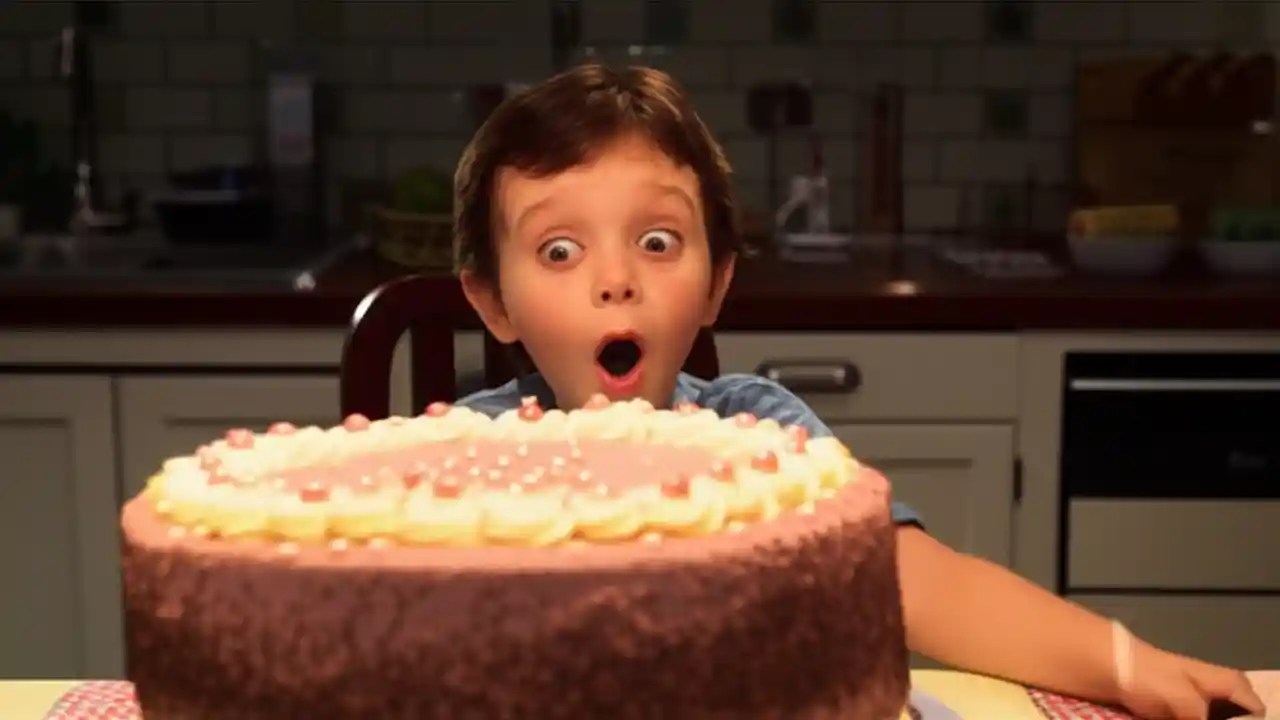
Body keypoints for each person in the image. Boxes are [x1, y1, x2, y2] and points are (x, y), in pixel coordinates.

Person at [450, 63, 1265, 720]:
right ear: (492, 301)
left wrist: (1128, 664)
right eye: (560, 251)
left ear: (716, 284)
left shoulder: (765, 438)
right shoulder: (453, 470)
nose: (616, 281)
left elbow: (920, 583)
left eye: (657, 241)